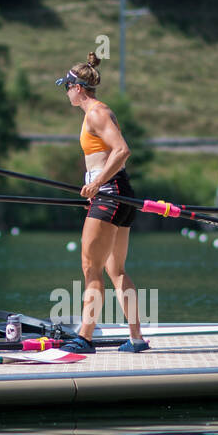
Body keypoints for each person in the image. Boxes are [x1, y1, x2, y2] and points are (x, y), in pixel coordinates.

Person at [55, 51, 149, 354]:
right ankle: (136, 338)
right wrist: (97, 185)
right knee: (116, 270)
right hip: (118, 194)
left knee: (90, 269)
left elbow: (122, 150)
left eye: (66, 87)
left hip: (110, 193)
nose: (66, 93)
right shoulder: (95, 113)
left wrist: (96, 184)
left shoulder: (96, 113)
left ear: (77, 88)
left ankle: (85, 337)